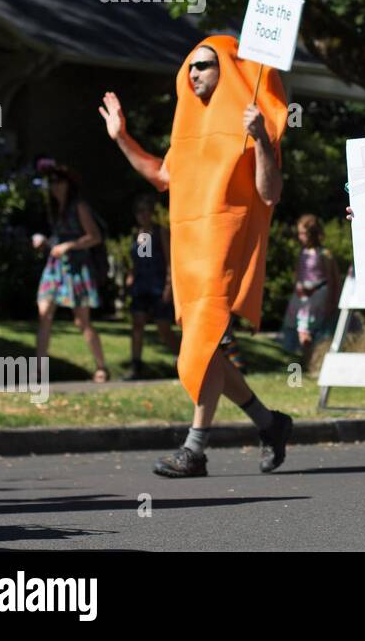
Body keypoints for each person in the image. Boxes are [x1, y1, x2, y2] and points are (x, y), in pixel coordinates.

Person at [101, 36, 294, 478]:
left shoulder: (251, 124)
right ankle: (270, 423)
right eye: (189, 67)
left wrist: (261, 138)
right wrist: (122, 137)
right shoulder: (188, 133)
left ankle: (195, 449)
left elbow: (271, 192)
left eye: (204, 66)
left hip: (225, 256)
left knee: (201, 347)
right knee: (206, 349)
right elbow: (161, 175)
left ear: (225, 70)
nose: (194, 74)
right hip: (189, 259)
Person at [33, 162, 109, 381]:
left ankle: (101, 366)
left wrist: (70, 245)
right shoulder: (54, 209)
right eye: (51, 182)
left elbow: (95, 236)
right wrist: (44, 242)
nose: (54, 186)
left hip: (76, 267)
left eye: (58, 181)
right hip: (55, 267)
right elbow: (56, 238)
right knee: (44, 313)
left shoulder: (79, 206)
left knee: (82, 320)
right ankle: (39, 371)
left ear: (68, 184)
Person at [123, 192, 178, 380]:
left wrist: (169, 285)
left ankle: (183, 359)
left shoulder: (160, 231)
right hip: (141, 286)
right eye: (139, 211)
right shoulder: (139, 235)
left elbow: (170, 259)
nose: (142, 215)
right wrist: (130, 276)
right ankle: (136, 365)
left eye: (146, 211)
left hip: (158, 285)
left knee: (163, 326)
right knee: (137, 325)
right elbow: (139, 261)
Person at [280, 214, 342, 361]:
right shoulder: (303, 252)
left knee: (310, 330)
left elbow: (333, 278)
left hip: (317, 297)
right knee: (300, 329)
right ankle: (304, 360)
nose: (300, 236)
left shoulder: (324, 253)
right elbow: (299, 274)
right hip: (302, 297)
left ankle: (310, 360)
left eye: (303, 233)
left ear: (312, 234)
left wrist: (333, 300)